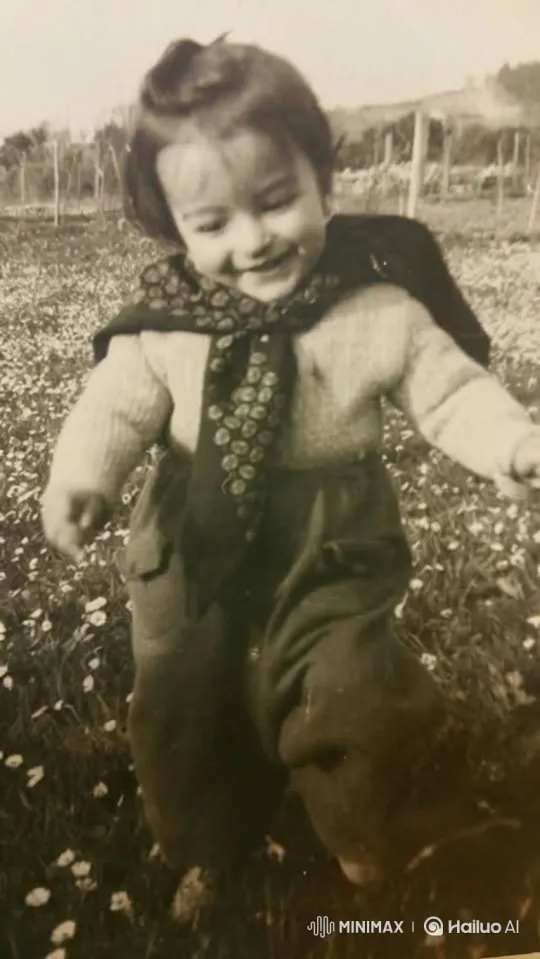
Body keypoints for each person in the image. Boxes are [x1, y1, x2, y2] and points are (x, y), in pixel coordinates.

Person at [41, 35, 540, 918]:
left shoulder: (375, 305)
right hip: (192, 532)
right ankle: (206, 840)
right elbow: (114, 403)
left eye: (275, 202)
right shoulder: (167, 321)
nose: (254, 238)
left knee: (349, 688)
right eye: (214, 223)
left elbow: (447, 387)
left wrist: (508, 442)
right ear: (174, 226)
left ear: (323, 179)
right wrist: (82, 476)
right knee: (184, 700)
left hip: (331, 535)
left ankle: (357, 824)